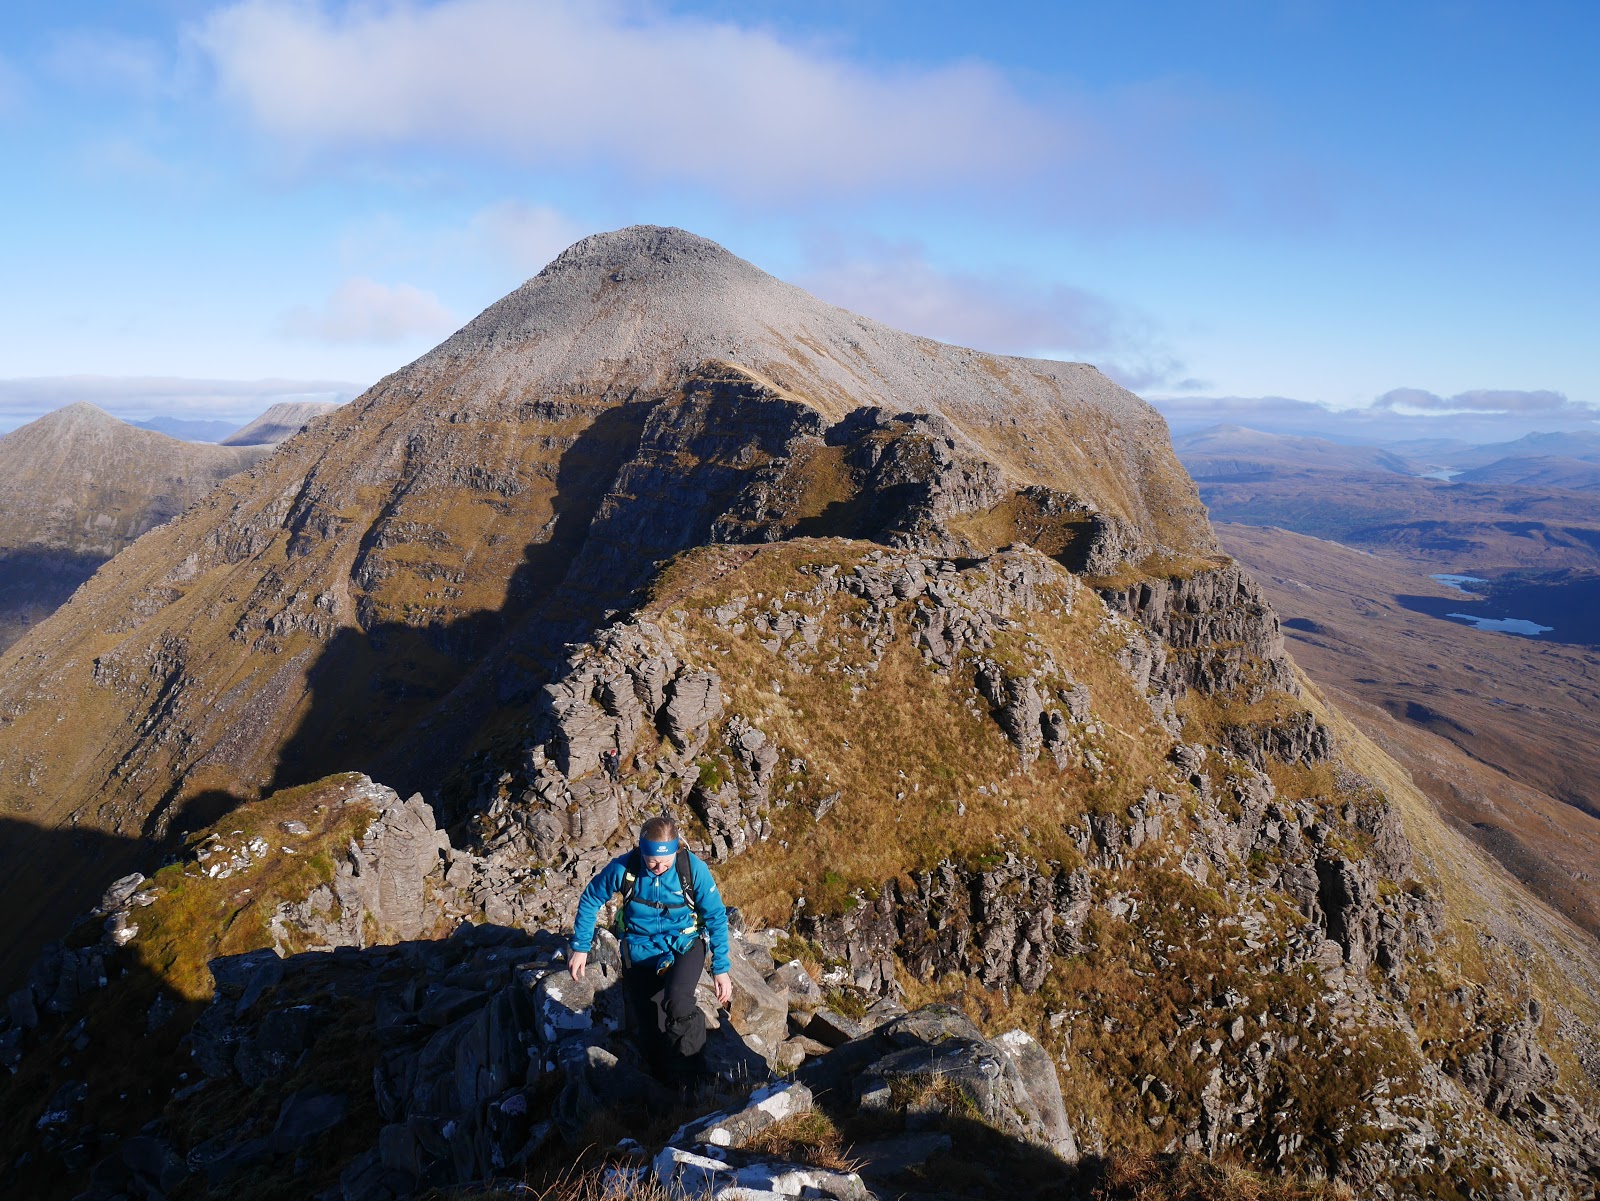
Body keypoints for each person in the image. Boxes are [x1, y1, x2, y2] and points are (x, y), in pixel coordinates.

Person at [568, 816, 732, 1086]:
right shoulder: (624, 868)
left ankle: (696, 1080)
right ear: (641, 850)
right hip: (640, 950)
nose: (659, 868)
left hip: (684, 944)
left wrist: (721, 969)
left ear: (676, 850)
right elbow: (590, 898)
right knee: (650, 1026)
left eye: (666, 862)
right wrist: (581, 947)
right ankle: (665, 1085)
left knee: (677, 1000)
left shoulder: (692, 869)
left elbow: (716, 915)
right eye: (652, 861)